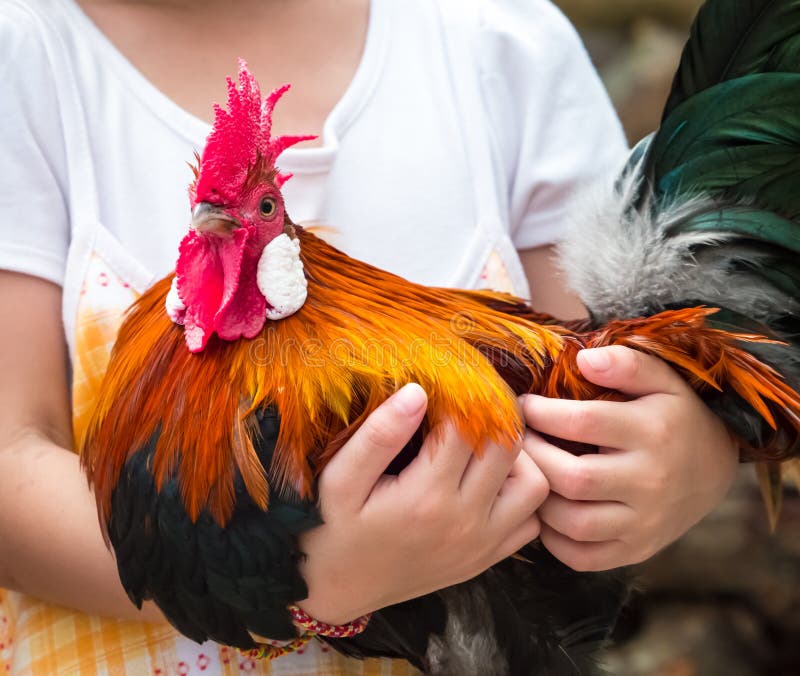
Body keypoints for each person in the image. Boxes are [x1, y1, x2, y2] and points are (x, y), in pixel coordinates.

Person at [0, 0, 739, 672]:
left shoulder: (505, 43)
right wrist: (301, 579)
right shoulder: (24, 55)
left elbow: (606, 365)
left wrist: (696, 450)